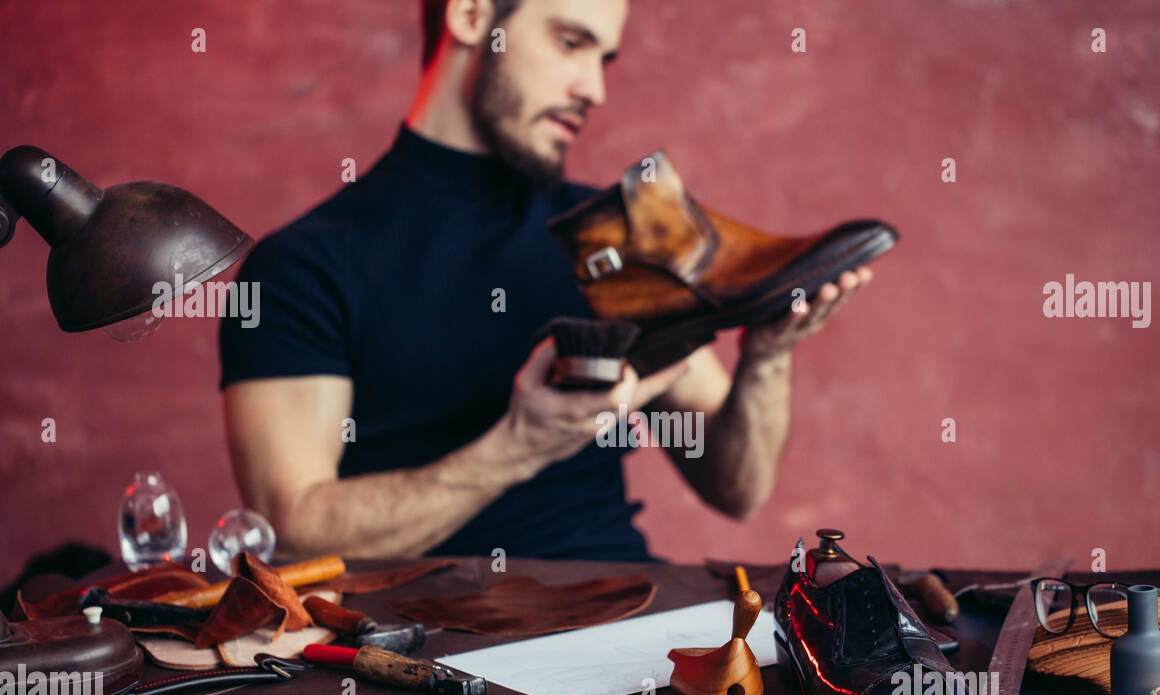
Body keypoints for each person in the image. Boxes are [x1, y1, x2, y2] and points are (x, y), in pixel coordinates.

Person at [218, 0, 873, 561]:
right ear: (473, 15)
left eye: (604, 58)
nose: (594, 88)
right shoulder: (301, 266)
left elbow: (737, 489)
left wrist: (766, 358)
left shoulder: (614, 238)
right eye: (570, 42)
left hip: (635, 619)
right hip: (434, 656)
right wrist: (519, 446)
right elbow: (292, 530)